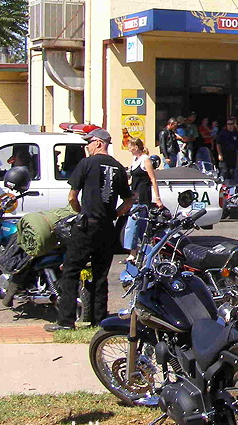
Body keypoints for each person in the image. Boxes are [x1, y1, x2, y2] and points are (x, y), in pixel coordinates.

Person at [45, 129, 132, 332]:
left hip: (86, 224)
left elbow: (71, 197)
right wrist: (114, 214)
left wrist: (79, 211)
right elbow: (128, 200)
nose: (88, 147)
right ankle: (99, 320)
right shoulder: (118, 168)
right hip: (106, 227)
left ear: (100, 143)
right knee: (100, 275)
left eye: (90, 143)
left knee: (71, 271)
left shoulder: (86, 164)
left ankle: (66, 322)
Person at [122, 138, 165, 254]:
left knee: (133, 224)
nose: (129, 149)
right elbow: (133, 179)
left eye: (130, 147)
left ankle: (133, 253)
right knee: (140, 225)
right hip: (134, 194)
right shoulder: (135, 160)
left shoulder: (145, 160)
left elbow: (153, 179)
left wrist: (157, 198)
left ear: (136, 147)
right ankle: (142, 251)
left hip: (142, 195)